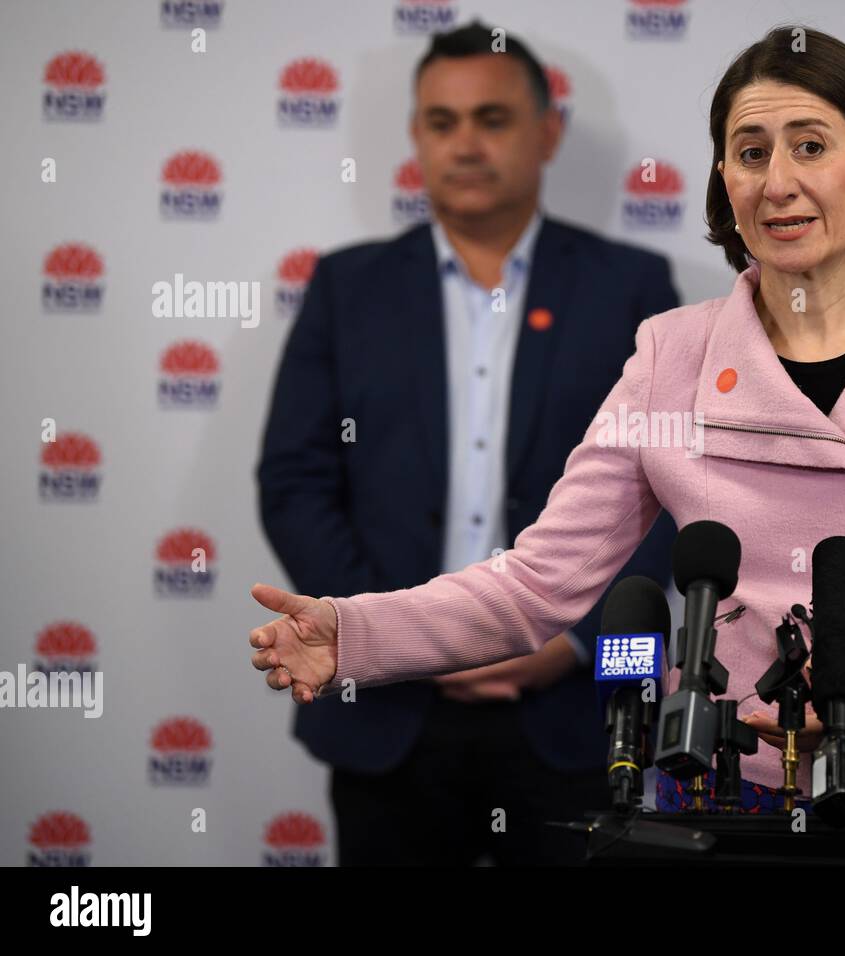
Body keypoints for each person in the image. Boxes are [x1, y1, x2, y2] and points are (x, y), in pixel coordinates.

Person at [250, 25, 845, 868]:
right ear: (723, 179)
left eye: (811, 146)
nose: (778, 182)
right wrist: (357, 634)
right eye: (750, 152)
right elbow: (539, 583)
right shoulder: (672, 353)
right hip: (724, 790)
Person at [255, 21, 678, 866]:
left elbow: (665, 488)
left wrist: (572, 640)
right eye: (442, 123)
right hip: (389, 716)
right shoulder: (349, 288)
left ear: (547, 131)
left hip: (568, 716)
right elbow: (296, 481)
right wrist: (390, 635)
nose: (466, 144)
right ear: (415, 137)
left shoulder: (629, 287)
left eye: (493, 118)